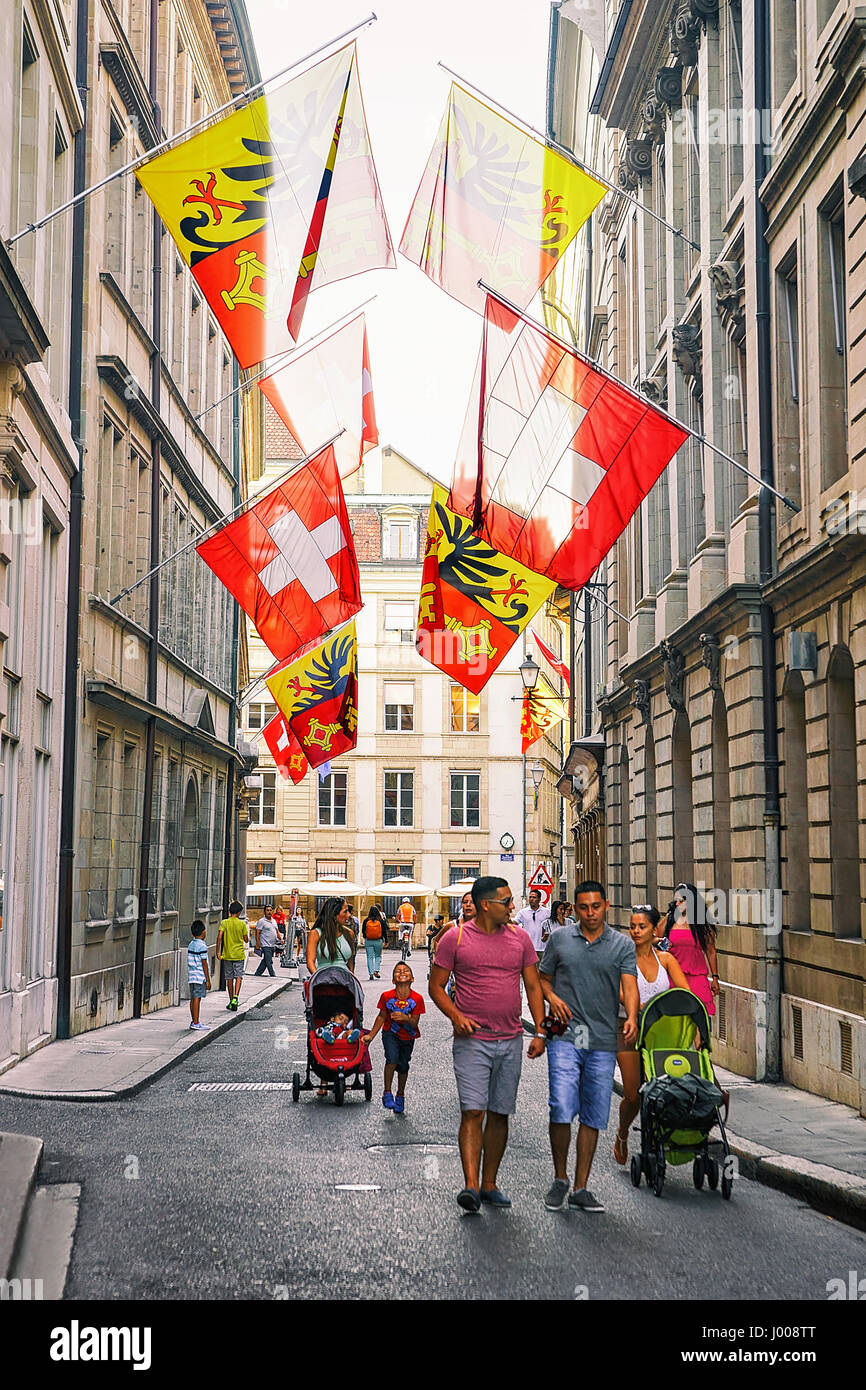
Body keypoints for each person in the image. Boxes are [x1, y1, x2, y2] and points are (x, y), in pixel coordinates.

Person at [429, 877, 546, 1213]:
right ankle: (470, 1185)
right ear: (485, 905)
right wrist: (456, 1016)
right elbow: (437, 986)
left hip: (510, 1039)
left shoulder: (520, 939)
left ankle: (489, 1183)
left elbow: (534, 987)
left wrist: (540, 1031)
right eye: (506, 901)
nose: (512, 907)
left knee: (499, 1113)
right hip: (472, 1041)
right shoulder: (456, 938)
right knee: (473, 1111)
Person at [538, 880, 639, 1214]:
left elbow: (629, 985)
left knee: (594, 1114)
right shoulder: (560, 939)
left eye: (596, 907)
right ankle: (560, 1178)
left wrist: (633, 1017)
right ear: (575, 908)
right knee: (561, 1106)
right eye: (583, 907)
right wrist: (551, 998)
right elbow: (542, 978)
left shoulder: (622, 945)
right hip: (566, 1036)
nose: (590, 913)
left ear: (606, 906)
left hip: (602, 1039)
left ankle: (581, 1186)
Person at [613, 905, 690, 1165]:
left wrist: (695, 1023)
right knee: (633, 1094)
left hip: (660, 1030)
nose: (635, 931)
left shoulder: (666, 960)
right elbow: (619, 992)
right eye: (632, 926)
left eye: (641, 926)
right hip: (627, 1028)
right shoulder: (621, 959)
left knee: (663, 1086)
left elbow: (685, 993)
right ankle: (623, 1133)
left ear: (654, 930)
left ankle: (661, 1135)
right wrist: (637, 1007)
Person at [364, 962, 426, 1114]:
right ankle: (387, 1092)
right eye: (398, 971)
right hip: (390, 1033)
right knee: (391, 1059)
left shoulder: (417, 998)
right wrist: (371, 1035)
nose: (402, 972)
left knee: (403, 1065)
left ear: (412, 978)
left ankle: (400, 1094)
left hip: (408, 1036)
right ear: (393, 980)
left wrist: (405, 1018)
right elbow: (381, 1017)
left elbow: (414, 1022)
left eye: (406, 970)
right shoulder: (386, 996)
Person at [665, 883, 720, 1024]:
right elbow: (655, 939)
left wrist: (714, 978)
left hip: (697, 978)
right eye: (675, 900)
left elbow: (711, 950)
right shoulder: (670, 921)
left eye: (681, 900)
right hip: (673, 979)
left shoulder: (702, 924)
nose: (677, 903)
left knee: (700, 1020)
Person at [306, 897, 356, 974]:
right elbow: (310, 962)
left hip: (344, 981)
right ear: (334, 915)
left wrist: (352, 980)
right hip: (323, 981)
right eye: (345, 912)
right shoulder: (315, 933)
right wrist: (318, 979)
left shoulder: (349, 933)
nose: (349, 915)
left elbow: (351, 963)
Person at [217, 901, 249, 1012]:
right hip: (239, 954)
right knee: (239, 976)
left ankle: (231, 1000)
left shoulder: (224, 923)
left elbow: (219, 937)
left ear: (230, 911)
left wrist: (218, 952)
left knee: (229, 978)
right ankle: (236, 997)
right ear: (239, 912)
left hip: (227, 954)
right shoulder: (242, 924)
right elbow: (246, 939)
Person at [187, 919, 211, 1030]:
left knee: (193, 998)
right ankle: (196, 1022)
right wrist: (208, 979)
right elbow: (204, 964)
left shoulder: (191, 944)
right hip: (199, 976)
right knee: (197, 998)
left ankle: (194, 1020)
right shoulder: (202, 946)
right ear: (203, 932)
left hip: (192, 975)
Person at [515, 889, 552, 958]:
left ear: (539, 899)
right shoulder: (522, 912)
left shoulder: (547, 912)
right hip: (528, 948)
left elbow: (553, 925)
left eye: (534, 897)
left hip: (543, 948)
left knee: (542, 968)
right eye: (530, 897)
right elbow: (514, 923)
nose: (531, 899)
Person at [254, 905, 285, 977]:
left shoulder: (274, 921)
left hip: (272, 945)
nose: (269, 912)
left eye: (270, 910)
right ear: (264, 912)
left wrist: (281, 939)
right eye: (267, 910)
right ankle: (273, 975)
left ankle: (257, 974)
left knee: (265, 960)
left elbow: (276, 931)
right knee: (269, 961)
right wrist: (258, 943)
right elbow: (257, 933)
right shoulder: (261, 921)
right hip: (265, 944)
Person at [362, 904, 387, 980]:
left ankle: (371, 973)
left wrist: (366, 937)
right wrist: (386, 940)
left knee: (369, 957)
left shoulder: (366, 920)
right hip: (378, 940)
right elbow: (384, 931)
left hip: (368, 941)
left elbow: (363, 931)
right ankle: (376, 970)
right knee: (377, 956)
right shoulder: (380, 921)